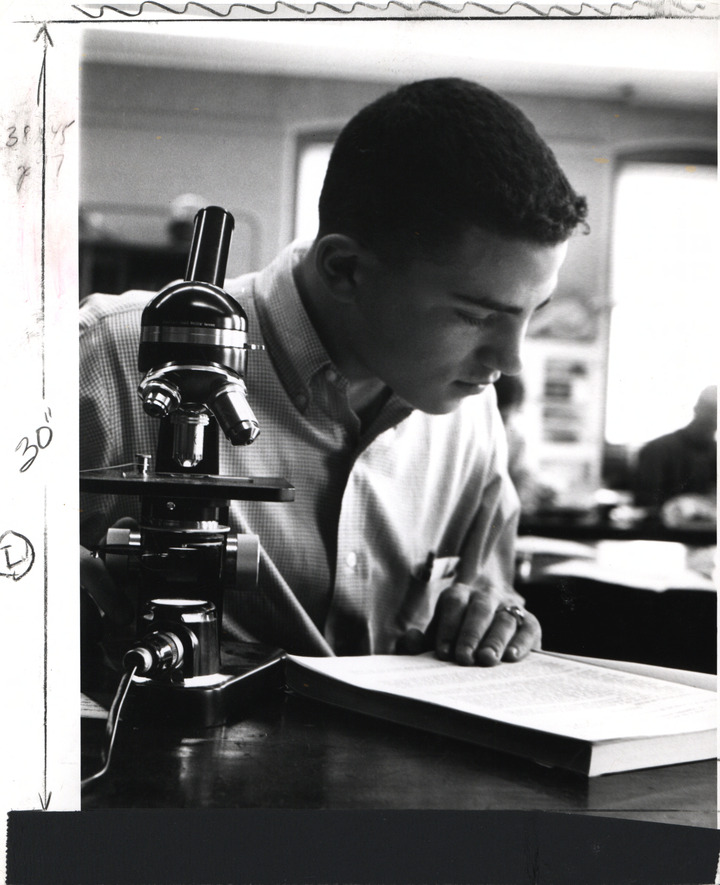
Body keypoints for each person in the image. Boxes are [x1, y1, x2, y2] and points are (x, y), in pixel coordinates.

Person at [80, 78, 588, 667]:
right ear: (345, 268)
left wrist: (494, 611)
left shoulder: (470, 410)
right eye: (476, 317)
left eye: (533, 314)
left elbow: (489, 591)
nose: (511, 363)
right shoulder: (104, 361)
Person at [633, 385, 717, 524]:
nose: (714, 419)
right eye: (710, 411)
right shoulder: (657, 450)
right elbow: (645, 506)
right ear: (697, 410)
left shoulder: (715, 453)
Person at [493, 373, 557, 514]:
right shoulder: (465, 436)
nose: (500, 424)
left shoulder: (515, 438)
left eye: (505, 417)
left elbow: (523, 476)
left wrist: (531, 490)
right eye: (497, 416)